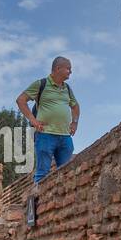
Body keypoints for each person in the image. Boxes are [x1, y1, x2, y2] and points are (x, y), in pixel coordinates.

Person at [17, 56, 79, 184]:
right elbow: (21, 100)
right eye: (68, 69)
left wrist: (74, 123)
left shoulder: (67, 88)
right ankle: (37, 203)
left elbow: (75, 106)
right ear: (58, 68)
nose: (70, 72)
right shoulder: (41, 84)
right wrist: (33, 120)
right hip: (45, 135)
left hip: (65, 136)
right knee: (42, 173)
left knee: (66, 173)